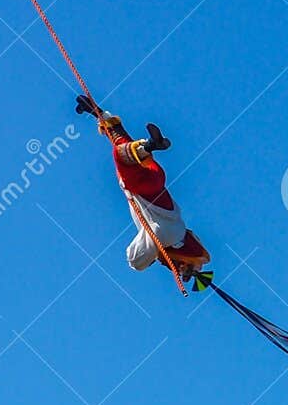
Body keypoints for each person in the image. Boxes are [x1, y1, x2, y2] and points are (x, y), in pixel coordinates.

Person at [76, 96, 210, 279]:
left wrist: (185, 268)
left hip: (158, 184)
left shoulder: (177, 244)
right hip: (154, 206)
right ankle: (148, 145)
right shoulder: (162, 238)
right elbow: (137, 258)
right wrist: (187, 268)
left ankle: (148, 145)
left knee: (125, 153)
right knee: (135, 262)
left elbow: (120, 141)